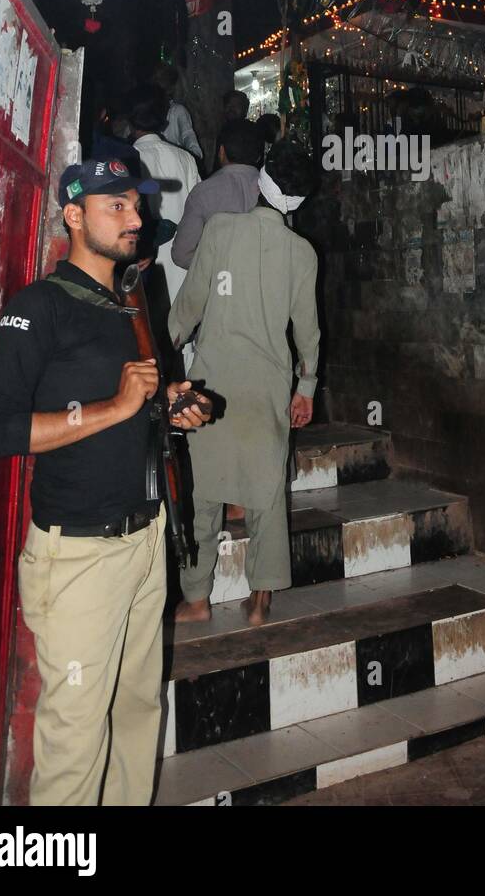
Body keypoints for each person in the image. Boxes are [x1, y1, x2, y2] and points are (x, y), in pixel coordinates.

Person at [0, 159, 211, 806]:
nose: (136, 219)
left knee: (138, 713)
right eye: (117, 207)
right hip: (78, 551)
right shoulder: (38, 308)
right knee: (76, 738)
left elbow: (141, 406)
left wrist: (176, 405)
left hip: (144, 538)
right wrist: (112, 408)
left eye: (136, 206)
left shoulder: (130, 301)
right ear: (73, 215)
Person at [169, 141, 319, 627]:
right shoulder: (302, 253)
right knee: (267, 493)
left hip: (210, 382)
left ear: (261, 181)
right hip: (269, 386)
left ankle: (196, 598)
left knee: (204, 493)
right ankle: (260, 600)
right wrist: (307, 387)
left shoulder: (219, 230)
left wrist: (157, 357)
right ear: (297, 202)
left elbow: (189, 306)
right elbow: (308, 332)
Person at [126, 84, 200, 320]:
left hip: (141, 277)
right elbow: (200, 214)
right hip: (183, 272)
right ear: (163, 119)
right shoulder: (185, 159)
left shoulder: (125, 161)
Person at [171, 119, 262, 270]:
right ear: (259, 156)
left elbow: (181, 255)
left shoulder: (203, 192)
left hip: (222, 287)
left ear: (221, 152)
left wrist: (222, 266)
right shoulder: (271, 189)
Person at [153, 64, 203, 162]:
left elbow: (194, 149)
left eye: (161, 79)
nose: (157, 82)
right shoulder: (144, 110)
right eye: (155, 78)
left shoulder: (177, 111)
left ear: (171, 87)